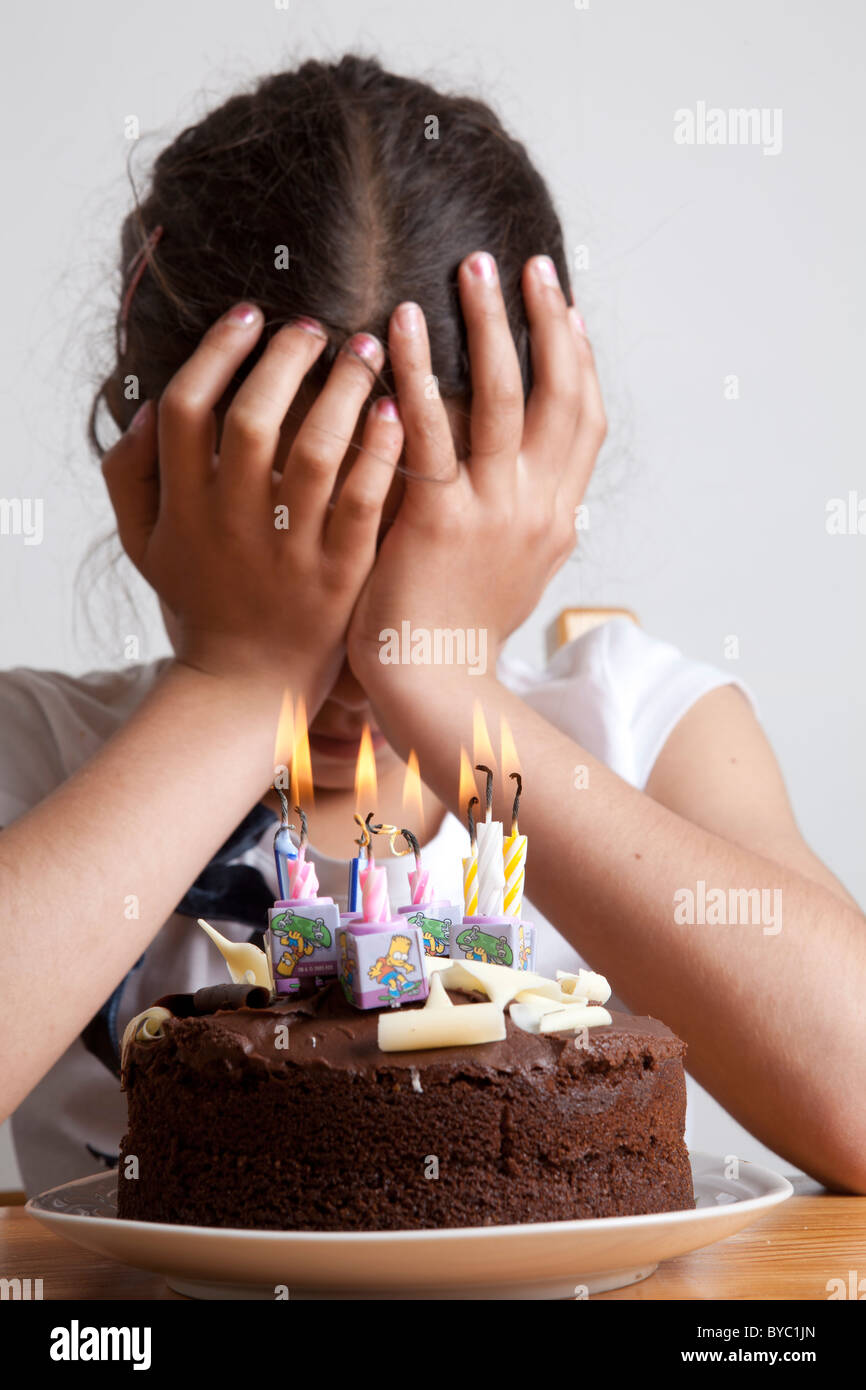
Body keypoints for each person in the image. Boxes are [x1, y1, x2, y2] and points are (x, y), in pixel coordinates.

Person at [1, 55, 863, 1198]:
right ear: (149, 486)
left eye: (409, 547)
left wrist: (450, 688)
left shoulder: (645, 732)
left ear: (541, 484)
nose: (354, 641)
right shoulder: (40, 757)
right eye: (285, 546)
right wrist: (235, 686)